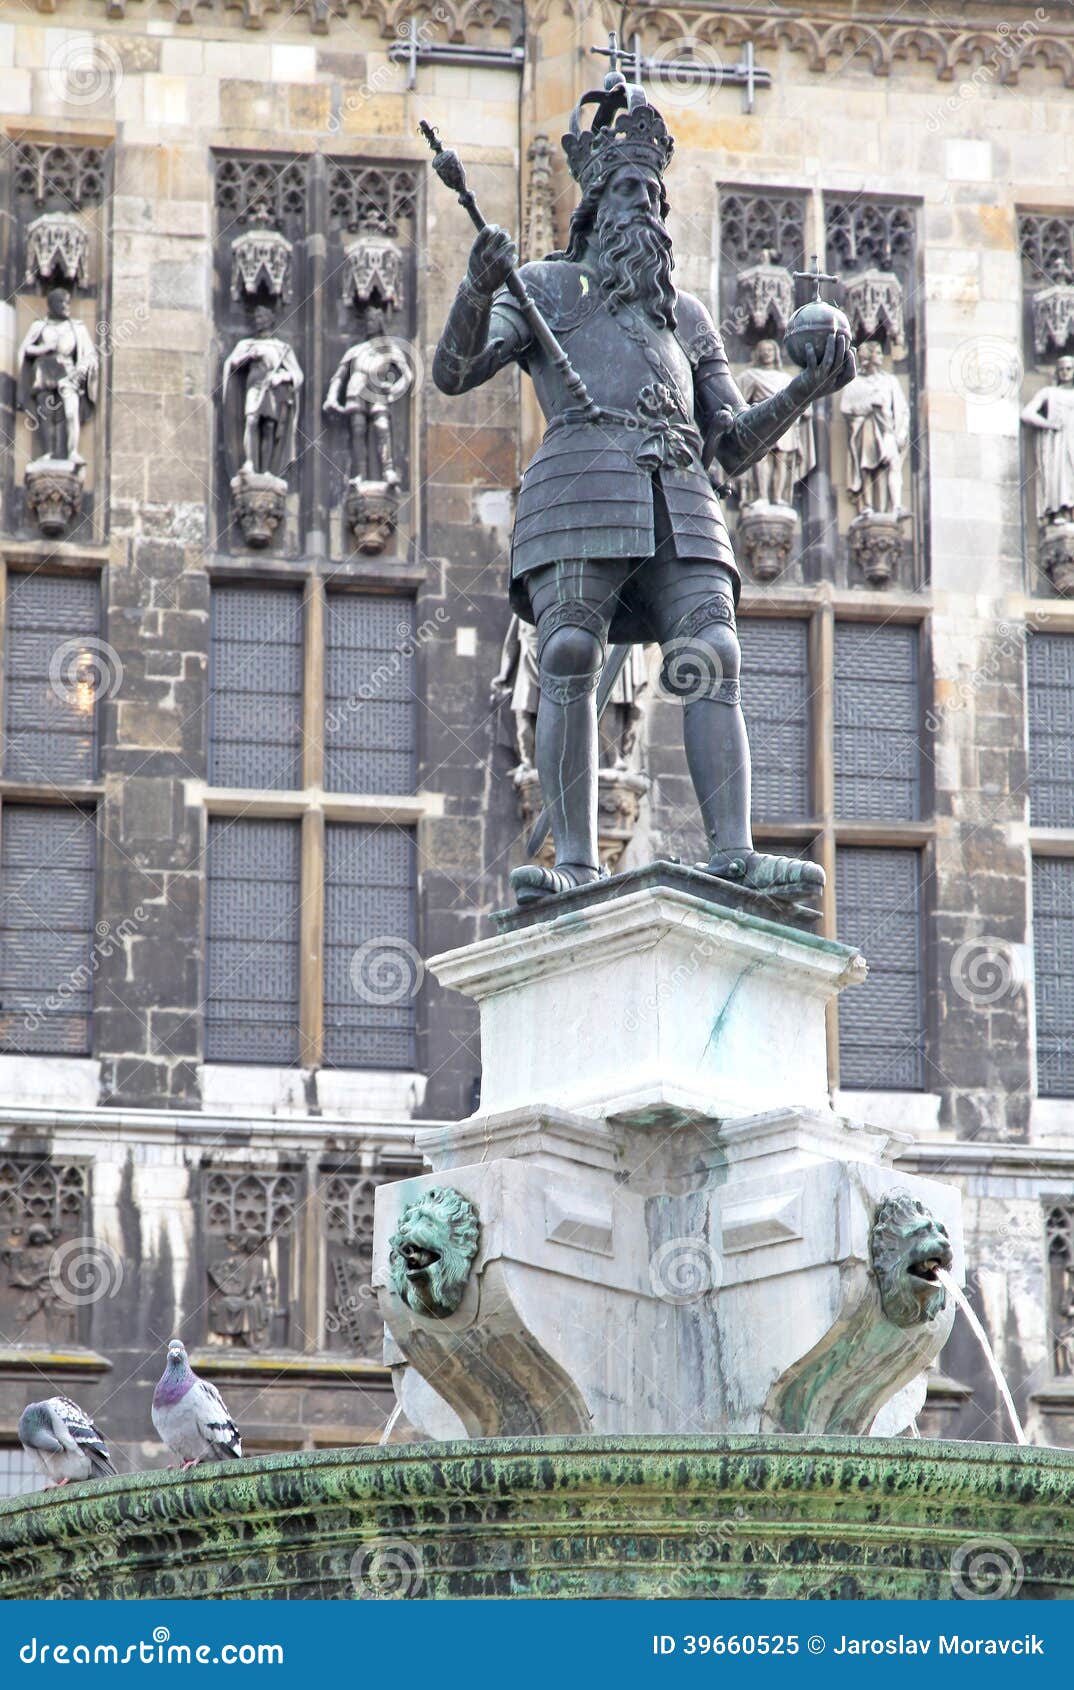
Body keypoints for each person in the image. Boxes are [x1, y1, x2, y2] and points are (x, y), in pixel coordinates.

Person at [432, 75, 854, 903]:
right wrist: (479, 285)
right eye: (628, 188)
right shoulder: (549, 289)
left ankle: (731, 852)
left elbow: (730, 441)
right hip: (578, 487)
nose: (645, 205)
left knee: (713, 653)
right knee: (568, 653)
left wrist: (805, 391)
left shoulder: (688, 317)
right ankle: (577, 863)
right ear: (593, 205)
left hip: (684, 495)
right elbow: (454, 372)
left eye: (654, 193)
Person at [17, 287, 99, 463]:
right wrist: (45, 348)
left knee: (70, 412)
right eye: (61, 302)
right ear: (52, 305)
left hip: (68, 372)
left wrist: (81, 369)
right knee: (45, 413)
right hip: (45, 371)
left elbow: (90, 354)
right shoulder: (40, 325)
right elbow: (25, 349)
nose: (66, 306)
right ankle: (47, 453)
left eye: (68, 302)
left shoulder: (77, 327)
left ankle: (72, 452)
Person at [221, 304, 303, 478]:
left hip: (272, 391)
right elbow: (233, 364)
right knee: (251, 420)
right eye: (257, 318)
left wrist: (282, 377)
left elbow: (297, 374)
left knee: (268, 426)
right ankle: (250, 462)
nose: (259, 321)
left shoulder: (281, 348)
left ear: (271, 320)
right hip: (255, 388)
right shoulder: (247, 344)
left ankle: (266, 470)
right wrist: (249, 356)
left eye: (263, 318)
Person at [737, 337, 815, 507]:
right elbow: (739, 403)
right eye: (763, 350)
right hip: (762, 420)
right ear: (757, 354)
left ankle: (778, 496)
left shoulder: (787, 379)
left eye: (770, 350)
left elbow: (803, 405)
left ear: (776, 353)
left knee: (782, 459)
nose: (767, 353)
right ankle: (763, 496)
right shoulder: (750, 376)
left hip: (785, 422)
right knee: (761, 457)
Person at [840, 338, 909, 516]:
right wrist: (869, 405)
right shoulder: (854, 382)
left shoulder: (890, 380)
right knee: (867, 467)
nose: (880, 356)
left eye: (880, 352)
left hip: (887, 430)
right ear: (868, 357)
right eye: (877, 353)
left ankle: (894, 507)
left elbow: (901, 409)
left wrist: (901, 432)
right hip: (866, 428)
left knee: (891, 464)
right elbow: (846, 408)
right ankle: (868, 505)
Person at [1021, 355, 1074, 525]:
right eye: (1061, 369)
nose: (1065, 372)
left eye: (1069, 368)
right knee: (1060, 474)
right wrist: (1048, 424)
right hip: (1058, 441)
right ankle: (1060, 510)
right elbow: (1026, 414)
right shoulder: (1049, 393)